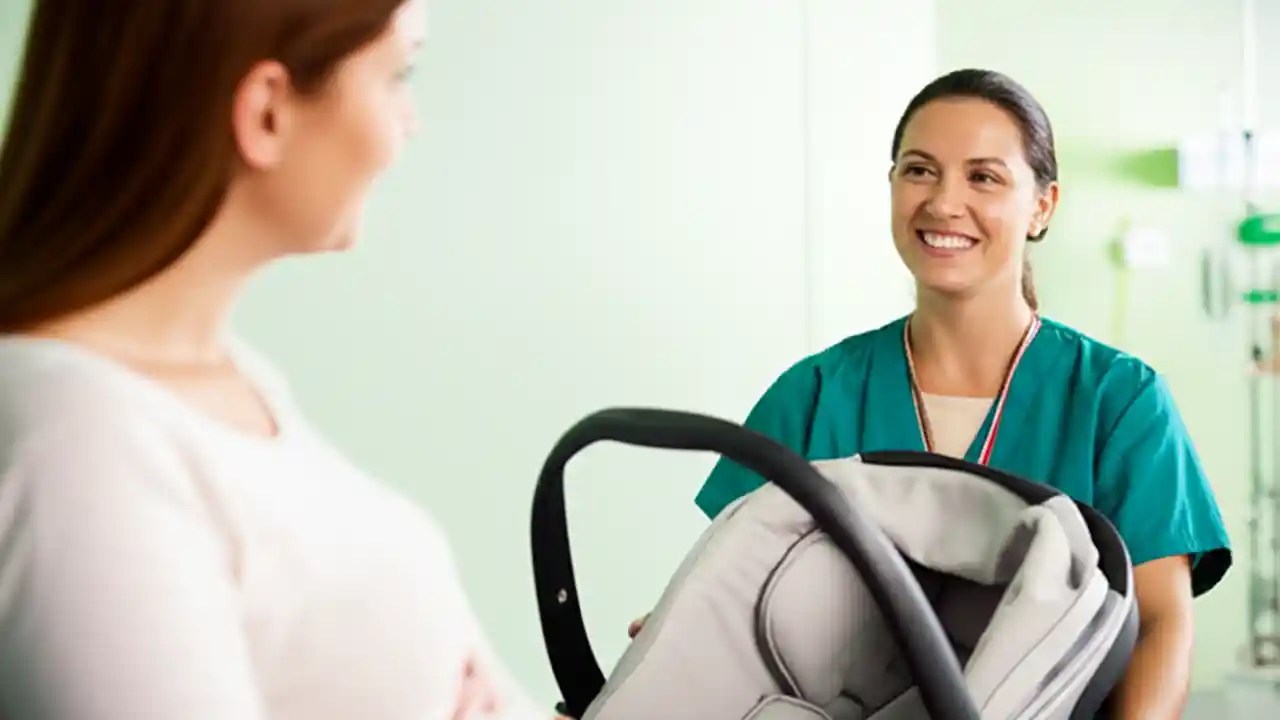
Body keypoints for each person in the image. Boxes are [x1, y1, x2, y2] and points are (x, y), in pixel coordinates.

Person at [0, 2, 558, 718]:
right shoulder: (78, 443)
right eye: (398, 74)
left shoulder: (230, 382)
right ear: (267, 111)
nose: (409, 122)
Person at [636, 69, 1232, 718]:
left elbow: (1158, 627)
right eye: (919, 170)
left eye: (983, 177)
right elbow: (732, 605)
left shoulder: (1120, 402)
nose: (944, 203)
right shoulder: (812, 396)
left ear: (1042, 205)